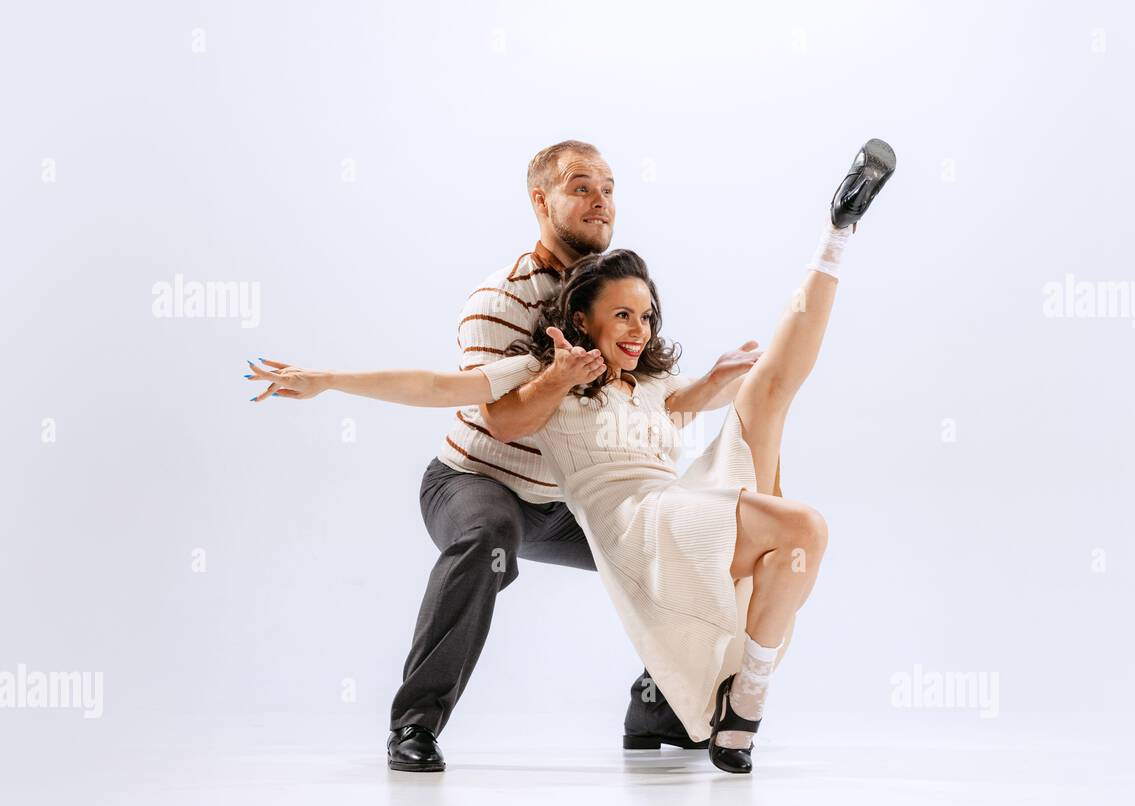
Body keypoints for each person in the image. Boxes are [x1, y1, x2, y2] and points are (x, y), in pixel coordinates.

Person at [247, 138, 896, 773]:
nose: (600, 201)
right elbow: (485, 411)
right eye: (581, 187)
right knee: (487, 536)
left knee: (733, 474)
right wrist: (330, 377)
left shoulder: (623, 322)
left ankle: (663, 705)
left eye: (609, 189)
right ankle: (415, 722)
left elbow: (688, 395)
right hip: (485, 478)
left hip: (582, 500)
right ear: (541, 202)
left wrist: (716, 383)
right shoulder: (504, 306)